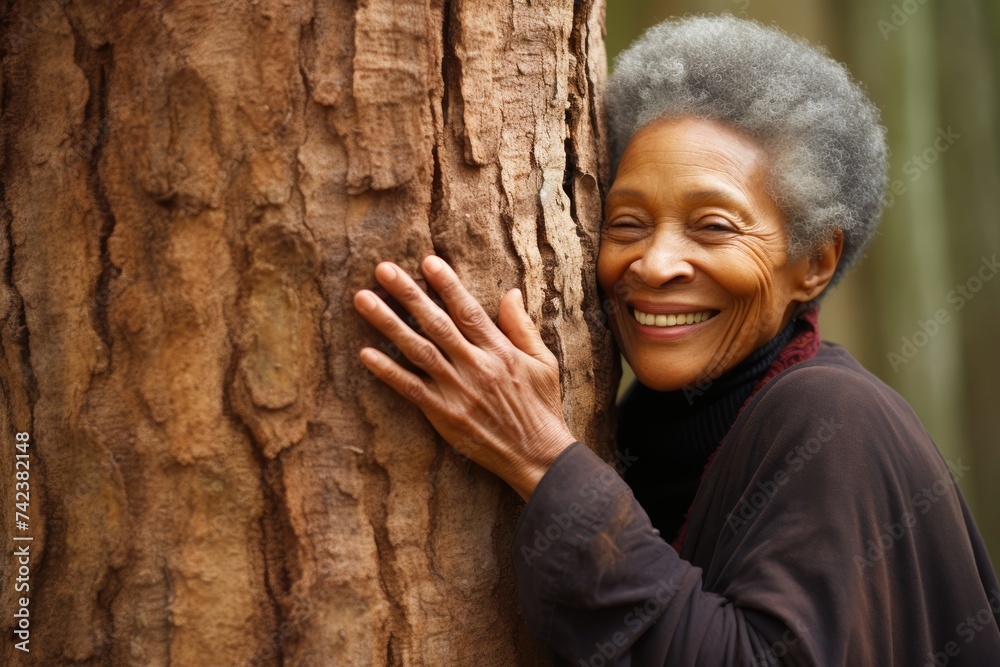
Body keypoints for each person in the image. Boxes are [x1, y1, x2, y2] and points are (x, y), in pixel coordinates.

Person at [351, 15, 1000, 666]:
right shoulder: (642, 431)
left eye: (714, 226)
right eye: (627, 222)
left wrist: (545, 462)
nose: (655, 264)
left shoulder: (837, 421)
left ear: (814, 263)